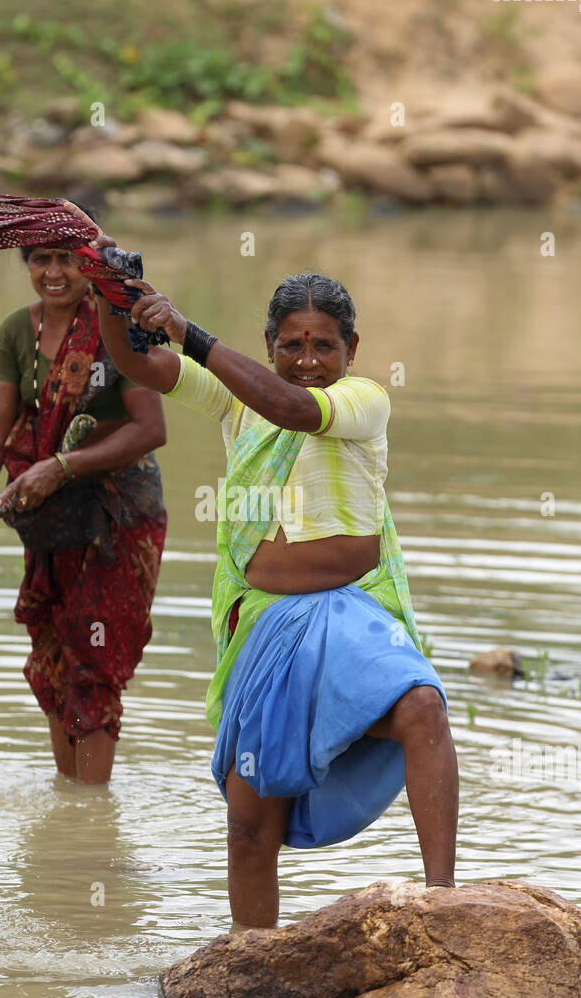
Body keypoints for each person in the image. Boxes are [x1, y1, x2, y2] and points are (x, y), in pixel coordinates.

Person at [95, 271, 459, 926]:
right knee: (248, 826)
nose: (308, 362)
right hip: (262, 620)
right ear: (267, 345)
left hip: (352, 607)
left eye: (324, 346)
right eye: (291, 345)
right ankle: (250, 962)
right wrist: (109, 295)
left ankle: (443, 900)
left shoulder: (363, 400)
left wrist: (188, 333)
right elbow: (132, 361)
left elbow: (293, 411)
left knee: (421, 705)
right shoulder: (239, 399)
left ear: (352, 349)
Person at [0, 207, 168, 784]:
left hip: (117, 518)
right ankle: (71, 804)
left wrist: (63, 465)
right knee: (55, 659)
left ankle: (90, 813)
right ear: (27, 264)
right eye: (41, 258)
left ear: (88, 263)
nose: (54, 271)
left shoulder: (116, 323)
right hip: (48, 520)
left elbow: (150, 429)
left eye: (68, 258)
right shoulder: (15, 331)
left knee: (93, 667)